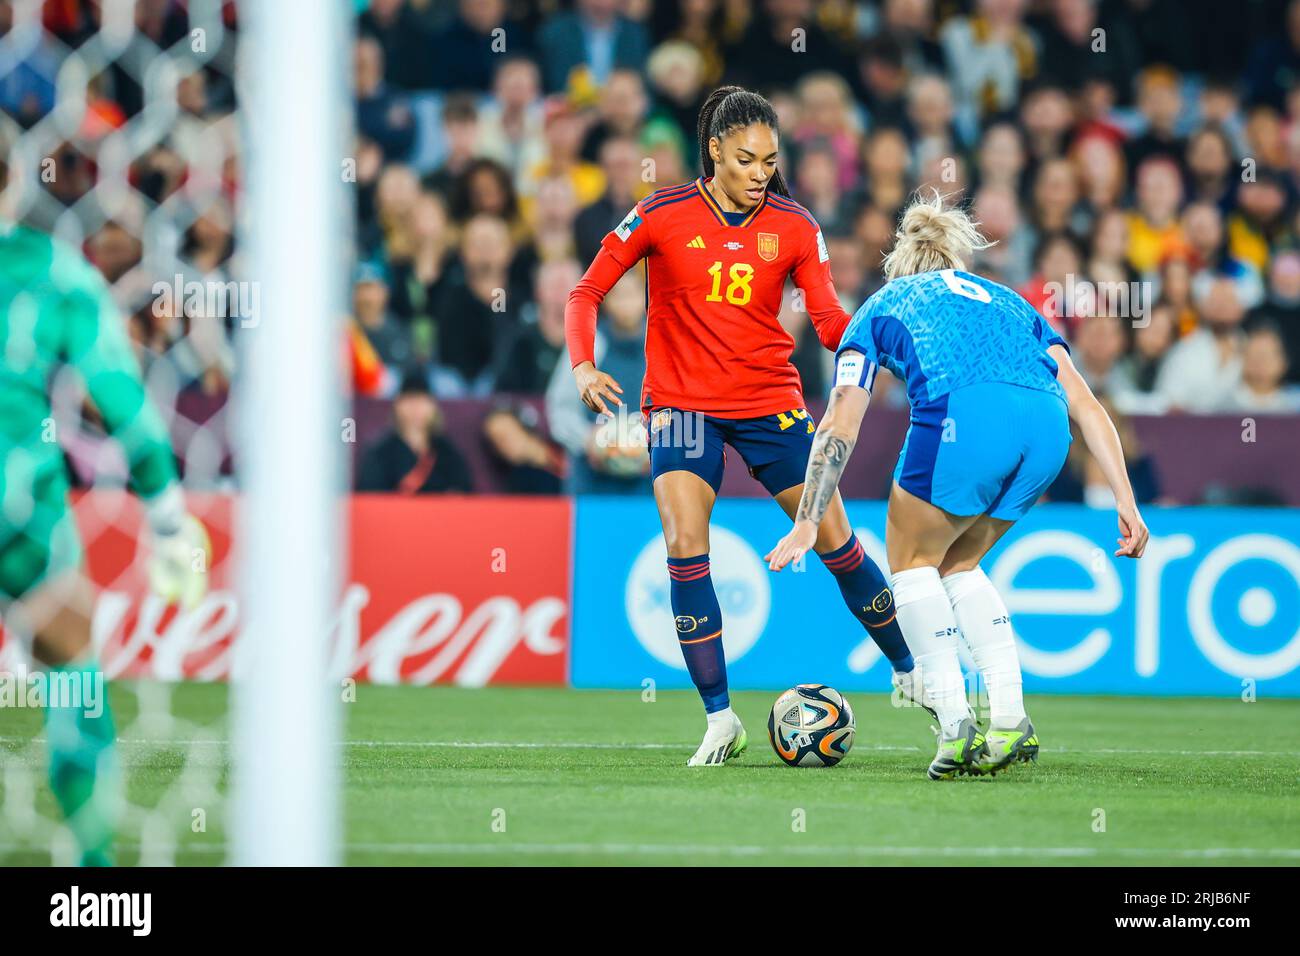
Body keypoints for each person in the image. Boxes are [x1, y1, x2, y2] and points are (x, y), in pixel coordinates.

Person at [564, 86, 919, 767]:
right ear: (716, 151)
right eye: (749, 159)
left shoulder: (793, 226)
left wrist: (880, 345)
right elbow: (585, 292)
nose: (761, 172)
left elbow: (826, 320)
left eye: (771, 160)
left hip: (769, 404)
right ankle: (720, 718)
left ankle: (910, 669)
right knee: (684, 543)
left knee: (838, 543)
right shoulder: (659, 214)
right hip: (682, 407)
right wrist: (582, 367)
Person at [766, 192, 1150, 779]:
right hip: (1048, 431)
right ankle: (1011, 719)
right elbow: (1086, 402)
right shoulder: (1012, 301)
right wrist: (1126, 499)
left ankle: (955, 727)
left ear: (902, 263)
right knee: (958, 566)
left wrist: (808, 518)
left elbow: (841, 419)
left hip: (965, 417)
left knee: (912, 560)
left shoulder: (881, 306)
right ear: (956, 261)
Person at [0, 220, 210, 864]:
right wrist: (168, 516)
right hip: (21, 509)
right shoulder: (47, 267)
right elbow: (120, 397)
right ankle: (96, 882)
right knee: (72, 687)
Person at [356, 374, 473, 494]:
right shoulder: (380, 452)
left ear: (433, 407)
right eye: (410, 401)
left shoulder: (447, 451)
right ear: (397, 405)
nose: (416, 408)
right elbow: (369, 495)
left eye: (422, 401)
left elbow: (464, 492)